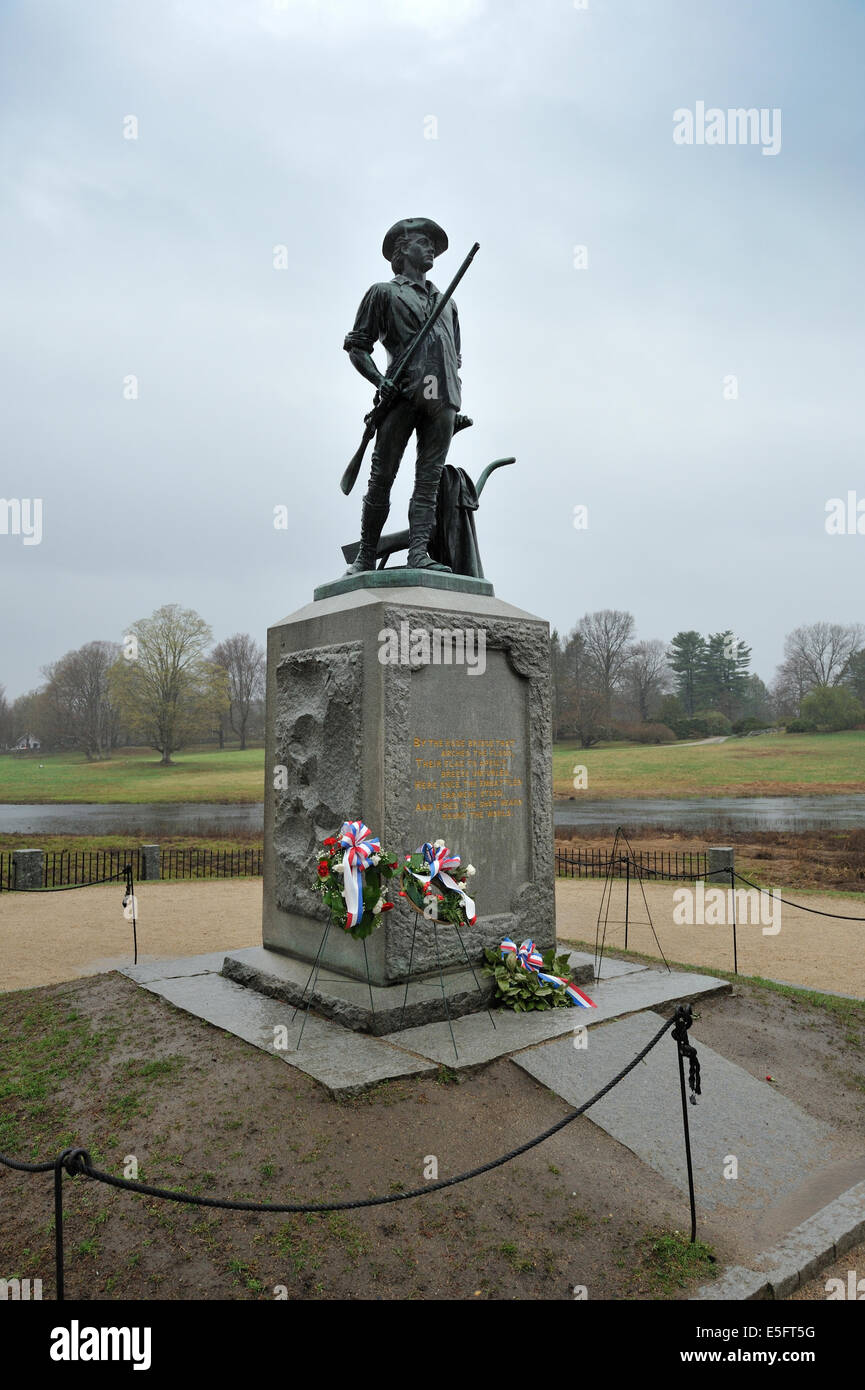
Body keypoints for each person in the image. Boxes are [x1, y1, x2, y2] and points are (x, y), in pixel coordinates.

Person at [343, 217, 467, 573]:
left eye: (432, 243)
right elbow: (358, 347)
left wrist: (454, 405)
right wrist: (379, 380)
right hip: (401, 394)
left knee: (428, 481)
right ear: (402, 250)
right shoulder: (384, 292)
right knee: (382, 478)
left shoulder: (448, 303)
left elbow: (453, 357)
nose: (430, 247)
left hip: (442, 400)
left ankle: (418, 553)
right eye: (422, 241)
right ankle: (366, 555)